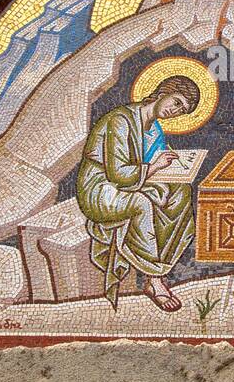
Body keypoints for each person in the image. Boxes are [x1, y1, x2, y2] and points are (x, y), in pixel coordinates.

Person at [76, 75, 200, 312]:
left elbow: (155, 158)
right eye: (176, 102)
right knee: (142, 203)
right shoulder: (121, 120)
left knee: (180, 193)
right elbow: (118, 174)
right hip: (101, 188)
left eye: (182, 110)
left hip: (131, 181)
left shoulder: (153, 129)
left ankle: (162, 262)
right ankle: (154, 280)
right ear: (164, 91)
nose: (175, 111)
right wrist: (155, 167)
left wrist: (176, 165)